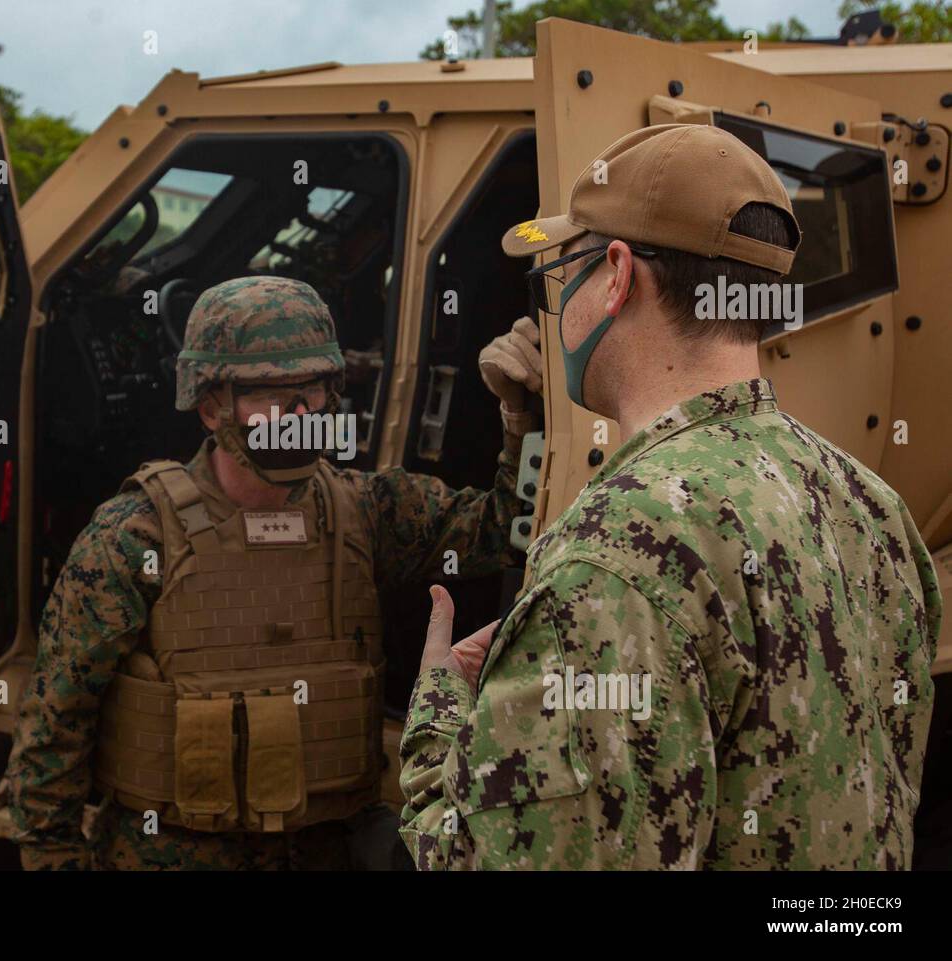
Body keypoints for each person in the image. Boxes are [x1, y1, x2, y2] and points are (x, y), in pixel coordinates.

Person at [399, 124, 942, 870]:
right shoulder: (871, 502)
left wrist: (439, 707)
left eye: (561, 278)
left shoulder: (614, 551)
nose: (556, 313)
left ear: (617, 273)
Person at [4, 274, 534, 869]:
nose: (298, 411)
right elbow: (54, 730)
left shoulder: (365, 509)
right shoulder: (135, 536)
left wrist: (523, 416)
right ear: (210, 407)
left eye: (311, 388)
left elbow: (507, 528)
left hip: (330, 847)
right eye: (270, 393)